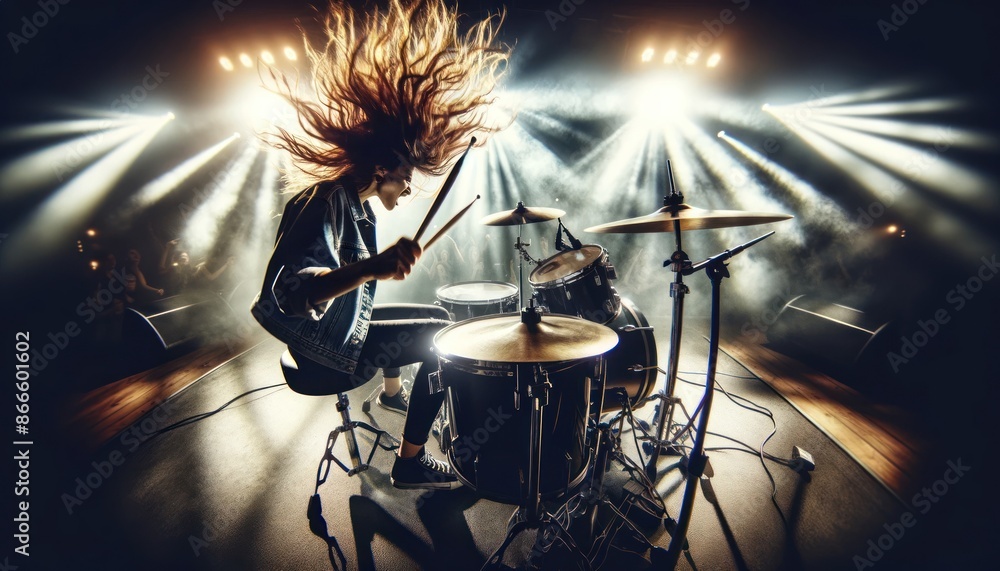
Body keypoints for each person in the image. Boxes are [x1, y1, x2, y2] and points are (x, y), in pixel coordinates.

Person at [251, 0, 509, 490]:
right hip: (321, 352)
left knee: (437, 315)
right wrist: (372, 267)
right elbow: (295, 294)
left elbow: (354, 291)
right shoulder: (328, 199)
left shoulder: (358, 206)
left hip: (331, 334)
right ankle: (410, 462)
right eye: (406, 176)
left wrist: (375, 268)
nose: (409, 188)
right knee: (444, 341)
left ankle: (393, 392)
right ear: (382, 167)